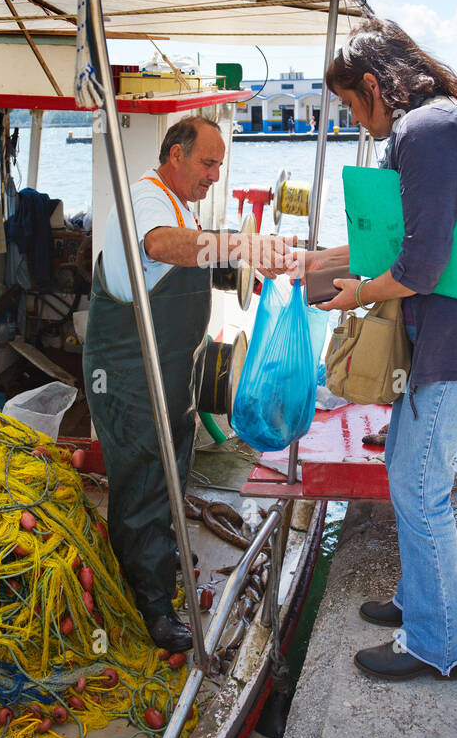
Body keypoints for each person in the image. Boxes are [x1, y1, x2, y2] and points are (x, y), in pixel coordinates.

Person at [309, 18, 457, 683]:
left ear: (374, 85)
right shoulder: (433, 124)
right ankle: (417, 600)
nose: (354, 116)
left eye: (351, 102)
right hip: (453, 328)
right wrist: (322, 261)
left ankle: (437, 645)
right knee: (406, 459)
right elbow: (414, 243)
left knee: (419, 481)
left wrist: (355, 294)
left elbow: (421, 265)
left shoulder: (426, 131)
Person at [83, 116, 297, 651]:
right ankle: (150, 605)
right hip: (130, 372)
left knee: (173, 467)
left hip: (171, 373)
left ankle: (161, 552)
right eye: (207, 163)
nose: (214, 175)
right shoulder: (147, 201)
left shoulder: (182, 205)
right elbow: (159, 246)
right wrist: (238, 247)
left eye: (220, 165)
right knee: (143, 478)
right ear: (174, 155)